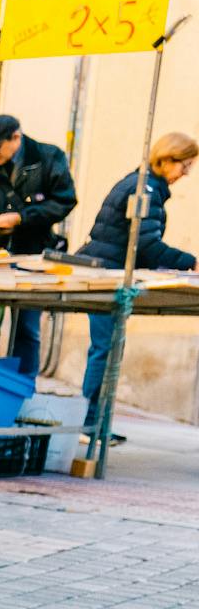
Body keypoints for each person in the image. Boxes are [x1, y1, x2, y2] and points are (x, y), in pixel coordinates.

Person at [72, 131, 198, 438]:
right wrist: (190, 261)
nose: (186, 173)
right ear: (168, 159)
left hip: (107, 270)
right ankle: (90, 423)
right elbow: (146, 245)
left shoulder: (141, 183)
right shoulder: (146, 189)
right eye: (185, 166)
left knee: (107, 348)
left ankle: (93, 422)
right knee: (106, 348)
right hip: (107, 275)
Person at [0, 113, 79, 367]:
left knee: (27, 328)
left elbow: (65, 201)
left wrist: (21, 218)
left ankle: (23, 386)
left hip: (32, 257)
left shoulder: (49, 158)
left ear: (16, 138)